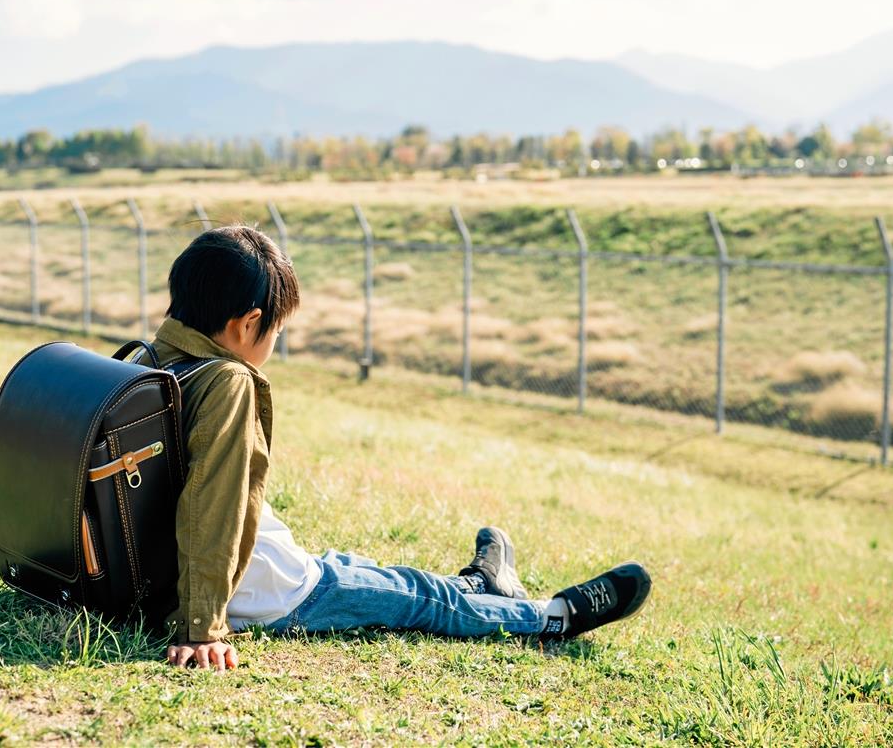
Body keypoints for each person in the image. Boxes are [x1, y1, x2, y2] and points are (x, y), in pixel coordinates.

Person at [148, 226, 652, 671]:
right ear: (246, 324)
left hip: (264, 569)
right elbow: (212, 503)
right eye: (275, 330)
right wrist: (202, 628)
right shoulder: (228, 381)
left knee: (367, 572)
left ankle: (482, 585)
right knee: (419, 600)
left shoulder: (145, 363)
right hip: (273, 594)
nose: (274, 341)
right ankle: (554, 616)